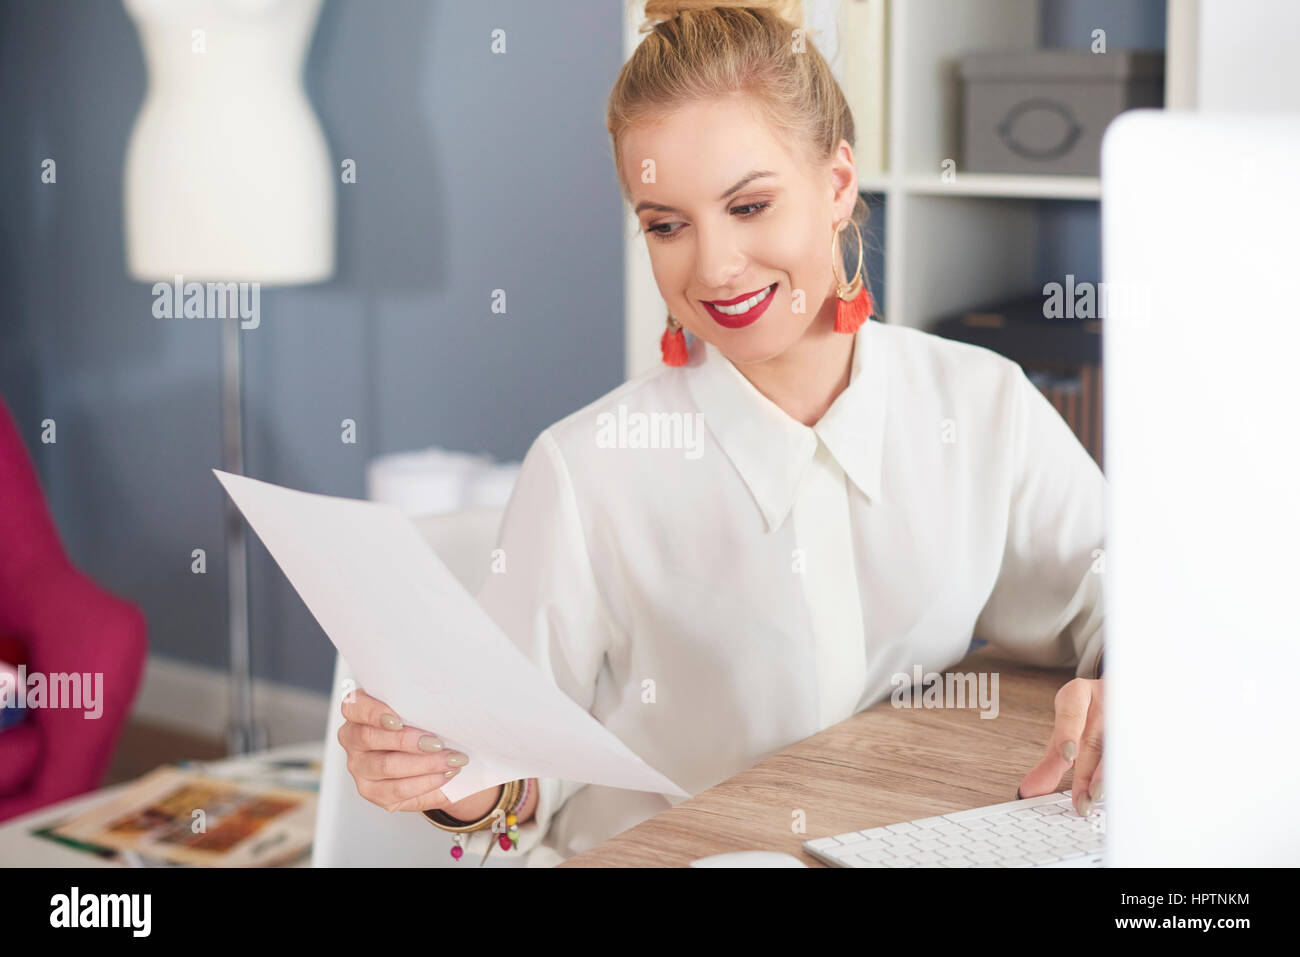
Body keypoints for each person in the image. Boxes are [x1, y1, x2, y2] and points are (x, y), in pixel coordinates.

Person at [338, 0, 1107, 868]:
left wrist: (1132, 683)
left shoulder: (978, 405)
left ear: (838, 184)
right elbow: (515, 769)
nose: (712, 267)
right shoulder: (587, 470)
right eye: (666, 224)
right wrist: (454, 779)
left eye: (749, 205)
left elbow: (1121, 585)